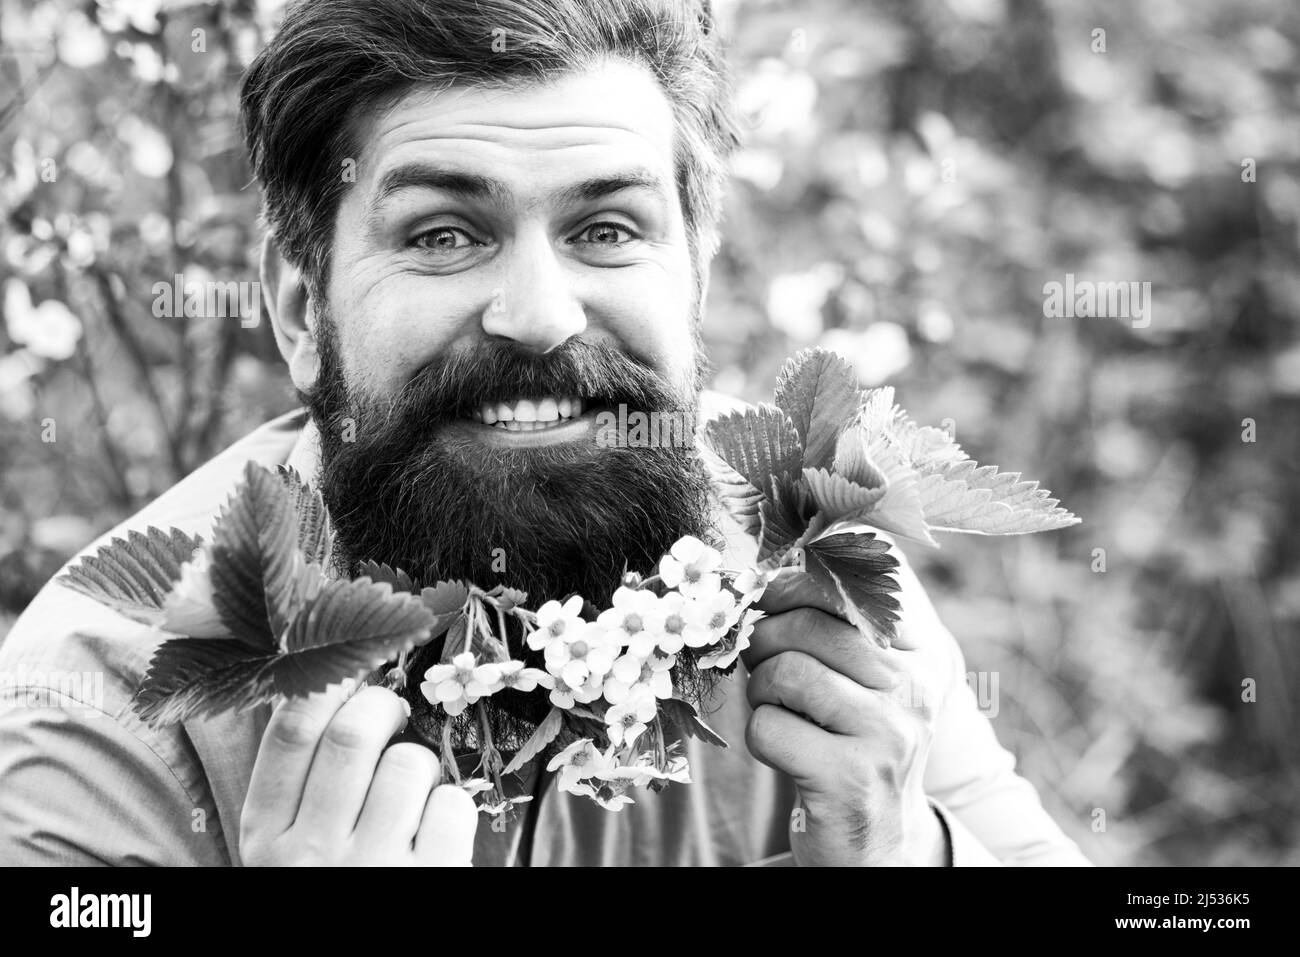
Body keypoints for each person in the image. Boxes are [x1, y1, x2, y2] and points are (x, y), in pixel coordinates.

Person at [0, 0, 1088, 866]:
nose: (539, 312)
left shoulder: (811, 587)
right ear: (298, 310)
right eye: (441, 234)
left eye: (606, 229)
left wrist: (908, 857)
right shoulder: (107, 700)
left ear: (696, 277)